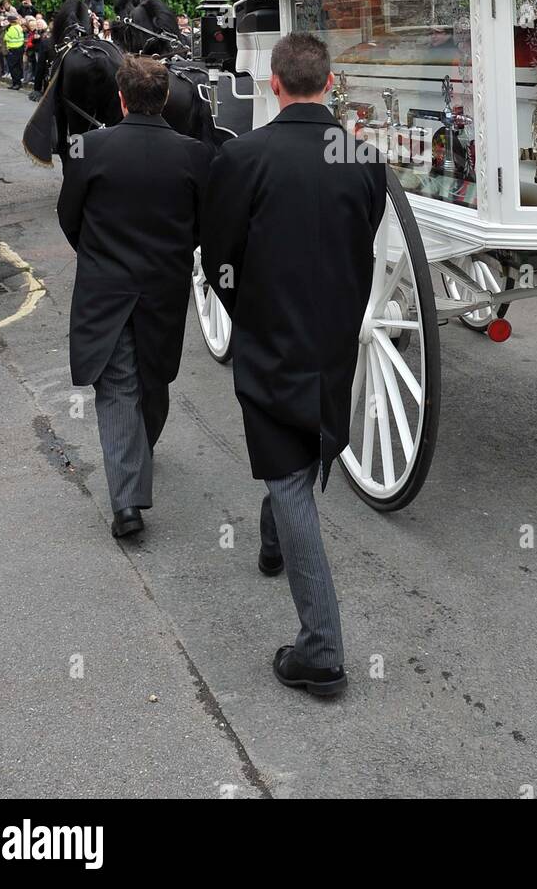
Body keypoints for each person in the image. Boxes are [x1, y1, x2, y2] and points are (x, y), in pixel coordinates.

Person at [201, 34, 386, 696]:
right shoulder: (365, 159)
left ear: (274, 85)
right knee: (300, 449)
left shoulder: (243, 156)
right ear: (329, 83)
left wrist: (247, 307)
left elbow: (217, 256)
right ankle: (275, 542)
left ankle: (322, 650)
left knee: (286, 478)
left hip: (273, 335)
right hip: (332, 336)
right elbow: (360, 241)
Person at [57, 56, 211, 540]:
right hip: (162, 288)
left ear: (120, 99)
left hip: (107, 286)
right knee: (148, 377)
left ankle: (129, 481)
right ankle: (128, 498)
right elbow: (203, 224)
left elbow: (70, 216)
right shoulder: (193, 155)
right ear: (164, 98)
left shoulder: (89, 148)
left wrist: (98, 254)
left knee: (127, 384)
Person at [3, 10, 26, 89]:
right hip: (20, 48)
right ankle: (17, 83)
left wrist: (6, 31)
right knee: (18, 66)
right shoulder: (18, 27)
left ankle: (16, 83)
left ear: (10, 21)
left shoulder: (12, 29)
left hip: (13, 49)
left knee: (13, 67)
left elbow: (6, 38)